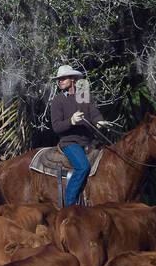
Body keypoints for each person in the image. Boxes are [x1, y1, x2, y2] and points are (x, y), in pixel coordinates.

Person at [48, 64, 113, 206]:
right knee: (83, 167)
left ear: (72, 79)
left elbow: (94, 113)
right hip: (69, 142)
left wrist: (100, 122)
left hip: (89, 141)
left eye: (63, 78)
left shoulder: (83, 95)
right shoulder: (58, 101)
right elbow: (56, 127)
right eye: (59, 79)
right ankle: (69, 205)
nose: (60, 81)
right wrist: (71, 121)